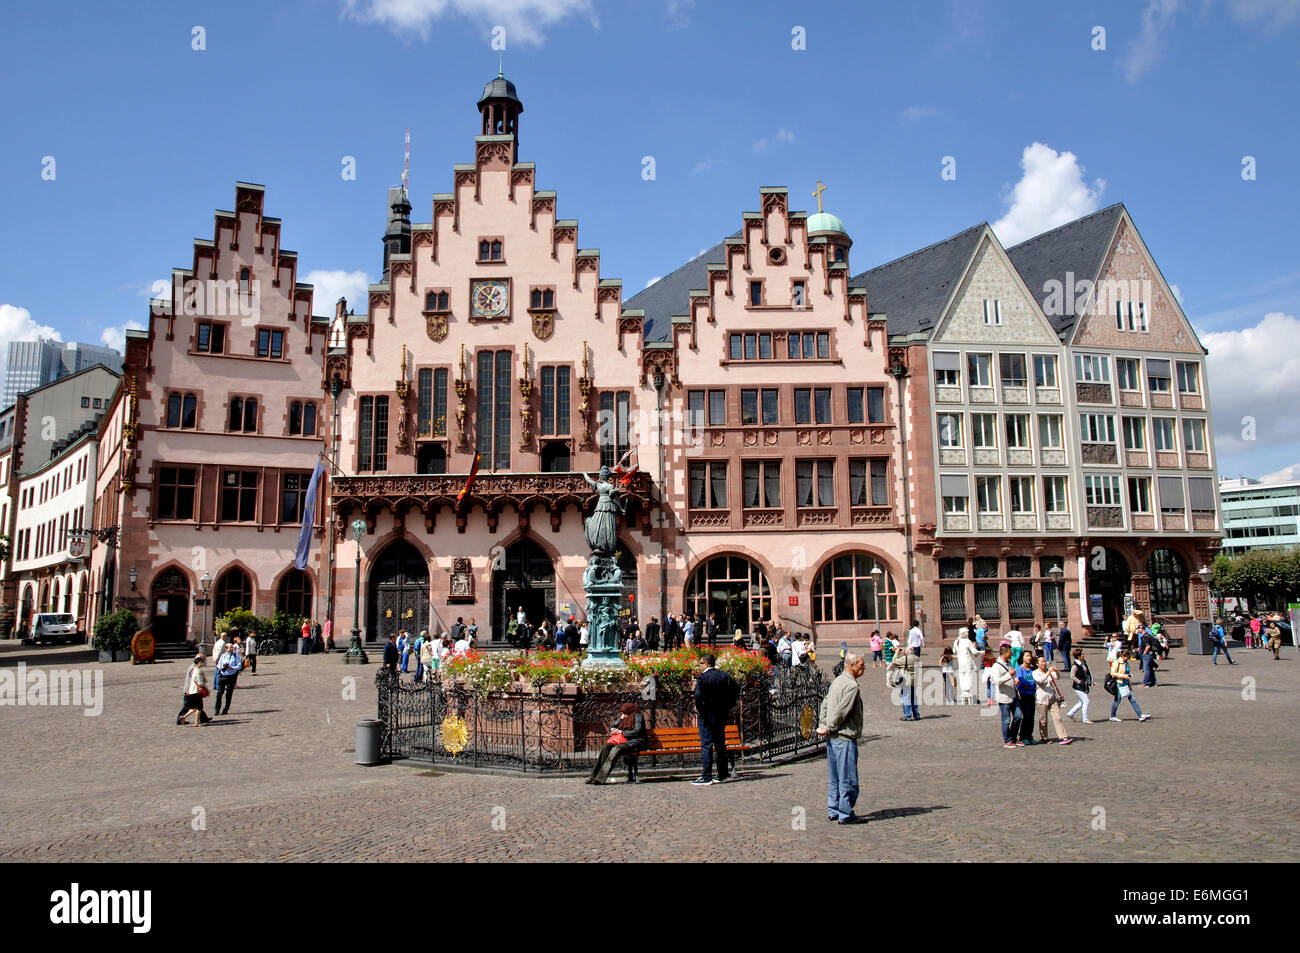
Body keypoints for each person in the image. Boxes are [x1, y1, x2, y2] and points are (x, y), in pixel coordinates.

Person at [816, 653, 865, 825]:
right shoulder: (852, 686)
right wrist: (829, 726)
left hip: (832, 737)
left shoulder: (837, 681)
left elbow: (825, 703)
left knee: (835, 776)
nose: (863, 667)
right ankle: (845, 812)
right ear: (851, 665)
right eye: (861, 664)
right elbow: (841, 712)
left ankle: (834, 809)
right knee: (848, 777)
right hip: (844, 736)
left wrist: (823, 724)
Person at [691, 654, 740, 785]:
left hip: (707, 715)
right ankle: (722, 774)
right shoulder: (724, 675)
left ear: (706, 664)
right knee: (720, 744)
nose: (699, 665)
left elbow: (698, 696)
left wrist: (700, 709)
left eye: (701, 663)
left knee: (706, 745)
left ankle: (706, 776)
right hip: (721, 715)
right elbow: (736, 690)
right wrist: (728, 706)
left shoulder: (702, 677)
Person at [588, 702, 647, 784]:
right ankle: (593, 776)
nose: (624, 714)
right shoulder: (625, 718)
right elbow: (611, 727)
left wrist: (620, 732)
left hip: (636, 742)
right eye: (623, 713)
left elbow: (637, 731)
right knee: (606, 747)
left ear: (630, 711)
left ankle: (600, 778)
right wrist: (620, 719)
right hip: (625, 740)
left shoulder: (638, 716)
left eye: (625, 713)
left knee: (616, 749)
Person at [1033, 655, 1072, 744]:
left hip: (1052, 697)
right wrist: (1048, 672)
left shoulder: (1048, 671)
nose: (1044, 663)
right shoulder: (1035, 673)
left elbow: (1057, 677)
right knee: (1043, 720)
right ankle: (1044, 737)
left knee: (1057, 717)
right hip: (1041, 699)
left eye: (1044, 661)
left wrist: (1056, 671)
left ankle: (1062, 737)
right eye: (1041, 662)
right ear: (1037, 663)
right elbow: (1040, 681)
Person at [1108, 648, 1151, 722]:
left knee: (1132, 699)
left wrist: (1129, 678)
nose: (1129, 659)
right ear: (1125, 656)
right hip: (1119, 684)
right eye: (1128, 657)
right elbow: (1112, 674)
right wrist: (1124, 676)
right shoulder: (1117, 662)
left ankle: (1140, 715)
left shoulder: (1126, 663)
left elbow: (1127, 672)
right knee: (1117, 700)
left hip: (1125, 684)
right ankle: (1112, 716)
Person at [991, 645, 1020, 748]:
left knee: (1018, 716)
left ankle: (1013, 737)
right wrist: (1009, 675)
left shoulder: (1009, 663)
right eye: (1009, 652)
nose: (1011, 654)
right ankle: (1007, 740)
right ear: (1004, 653)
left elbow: (1012, 675)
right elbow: (997, 681)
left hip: (1013, 694)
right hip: (1004, 697)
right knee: (1006, 720)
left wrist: (1015, 679)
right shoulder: (996, 666)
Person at [177, 654, 212, 726]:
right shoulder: (195, 669)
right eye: (202, 661)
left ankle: (203, 718)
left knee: (195, 707)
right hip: (192, 690)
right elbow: (196, 681)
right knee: (189, 707)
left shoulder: (193, 667)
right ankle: (181, 719)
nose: (203, 662)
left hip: (191, 690)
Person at [213, 638, 243, 716]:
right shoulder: (223, 656)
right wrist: (219, 667)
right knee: (219, 693)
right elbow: (218, 664)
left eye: (232, 647)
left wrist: (232, 668)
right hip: (223, 676)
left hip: (231, 676)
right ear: (226, 649)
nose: (232, 648)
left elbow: (239, 666)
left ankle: (225, 709)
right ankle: (217, 709)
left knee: (228, 694)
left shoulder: (236, 656)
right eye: (230, 647)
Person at [888, 647, 919, 721]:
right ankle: (916, 714)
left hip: (906, 680)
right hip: (914, 680)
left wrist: (896, 653)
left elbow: (894, 661)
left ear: (907, 652)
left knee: (906, 697)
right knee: (914, 698)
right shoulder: (916, 658)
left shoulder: (904, 658)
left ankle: (907, 715)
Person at [1065, 648, 1094, 724]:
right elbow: (1072, 676)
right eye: (1082, 654)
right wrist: (1079, 681)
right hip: (1078, 687)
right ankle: (1085, 719)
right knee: (1086, 701)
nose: (1084, 655)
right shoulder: (1075, 665)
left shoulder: (1083, 663)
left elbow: (1087, 673)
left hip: (1083, 685)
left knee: (1081, 702)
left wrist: (1091, 681)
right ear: (1078, 656)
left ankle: (1070, 713)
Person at [1015, 651, 1038, 744]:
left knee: (1032, 716)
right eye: (1026, 656)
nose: (1029, 658)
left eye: (1029, 656)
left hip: (1031, 694)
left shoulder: (1033, 669)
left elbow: (1035, 679)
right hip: (1023, 695)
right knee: (1026, 715)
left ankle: (1029, 736)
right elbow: (1021, 680)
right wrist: (1030, 683)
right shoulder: (1019, 668)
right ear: (1022, 658)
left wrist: (1030, 684)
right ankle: (1022, 736)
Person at [954, 627, 980, 704]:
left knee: (961, 675)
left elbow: (954, 650)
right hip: (967, 661)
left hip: (960, 661)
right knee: (968, 675)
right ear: (965, 634)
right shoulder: (968, 642)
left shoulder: (956, 641)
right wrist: (981, 652)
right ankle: (967, 690)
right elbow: (974, 651)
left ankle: (963, 691)